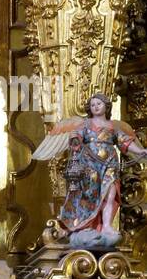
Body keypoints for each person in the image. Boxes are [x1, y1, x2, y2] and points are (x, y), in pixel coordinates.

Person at [32, 92, 147, 246]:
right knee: (89, 195)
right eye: (93, 105)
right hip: (90, 164)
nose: (95, 107)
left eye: (98, 104)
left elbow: (125, 142)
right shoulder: (85, 124)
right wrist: (74, 139)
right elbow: (76, 140)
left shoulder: (113, 126)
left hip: (110, 163)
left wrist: (140, 151)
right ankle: (85, 226)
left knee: (110, 194)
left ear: (106, 106)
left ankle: (106, 226)